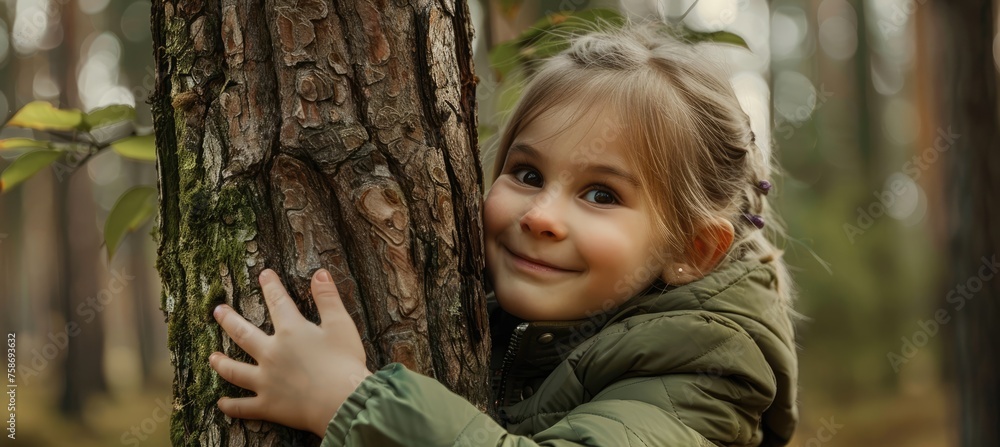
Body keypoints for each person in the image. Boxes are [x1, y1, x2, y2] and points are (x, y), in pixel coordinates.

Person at [208, 23, 798, 446]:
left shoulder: (704, 375)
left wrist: (348, 403)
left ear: (691, 251)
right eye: (527, 173)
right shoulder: (499, 312)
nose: (541, 215)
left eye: (601, 194)